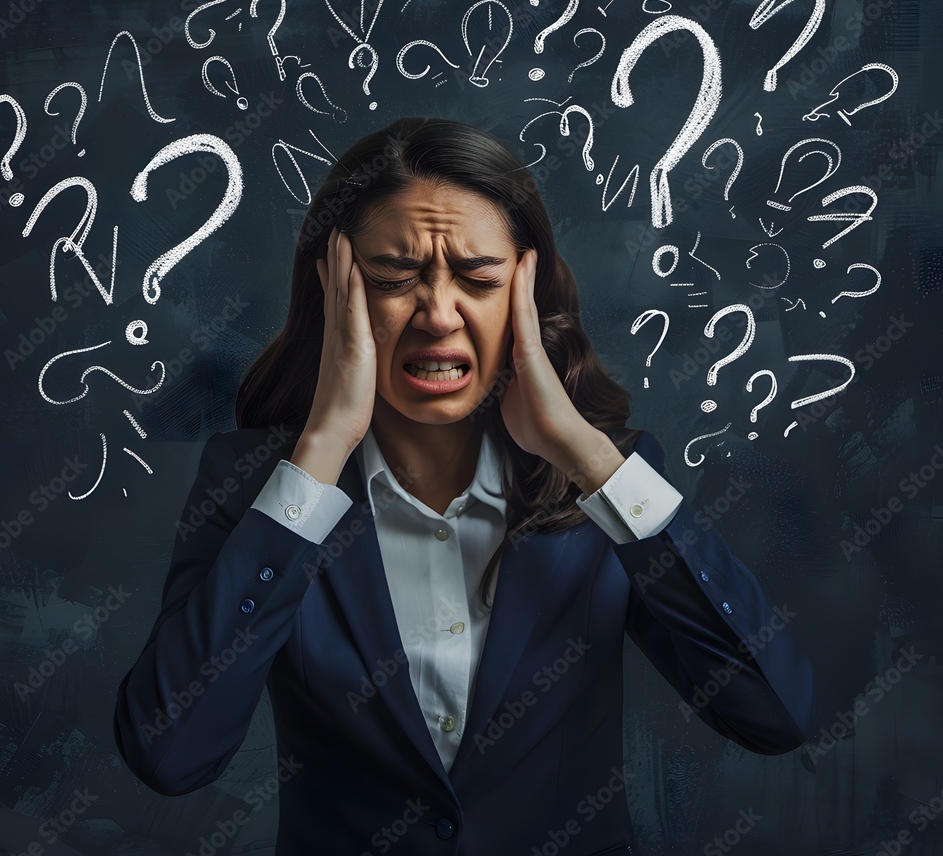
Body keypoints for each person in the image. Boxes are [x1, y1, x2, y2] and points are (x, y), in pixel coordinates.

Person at [113, 117, 815, 856]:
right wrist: (319, 454)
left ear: (527, 285)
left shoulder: (609, 485)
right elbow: (170, 754)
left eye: (478, 279)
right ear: (334, 286)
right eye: (392, 279)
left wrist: (587, 456)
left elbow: (772, 715)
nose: (439, 316)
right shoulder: (254, 484)